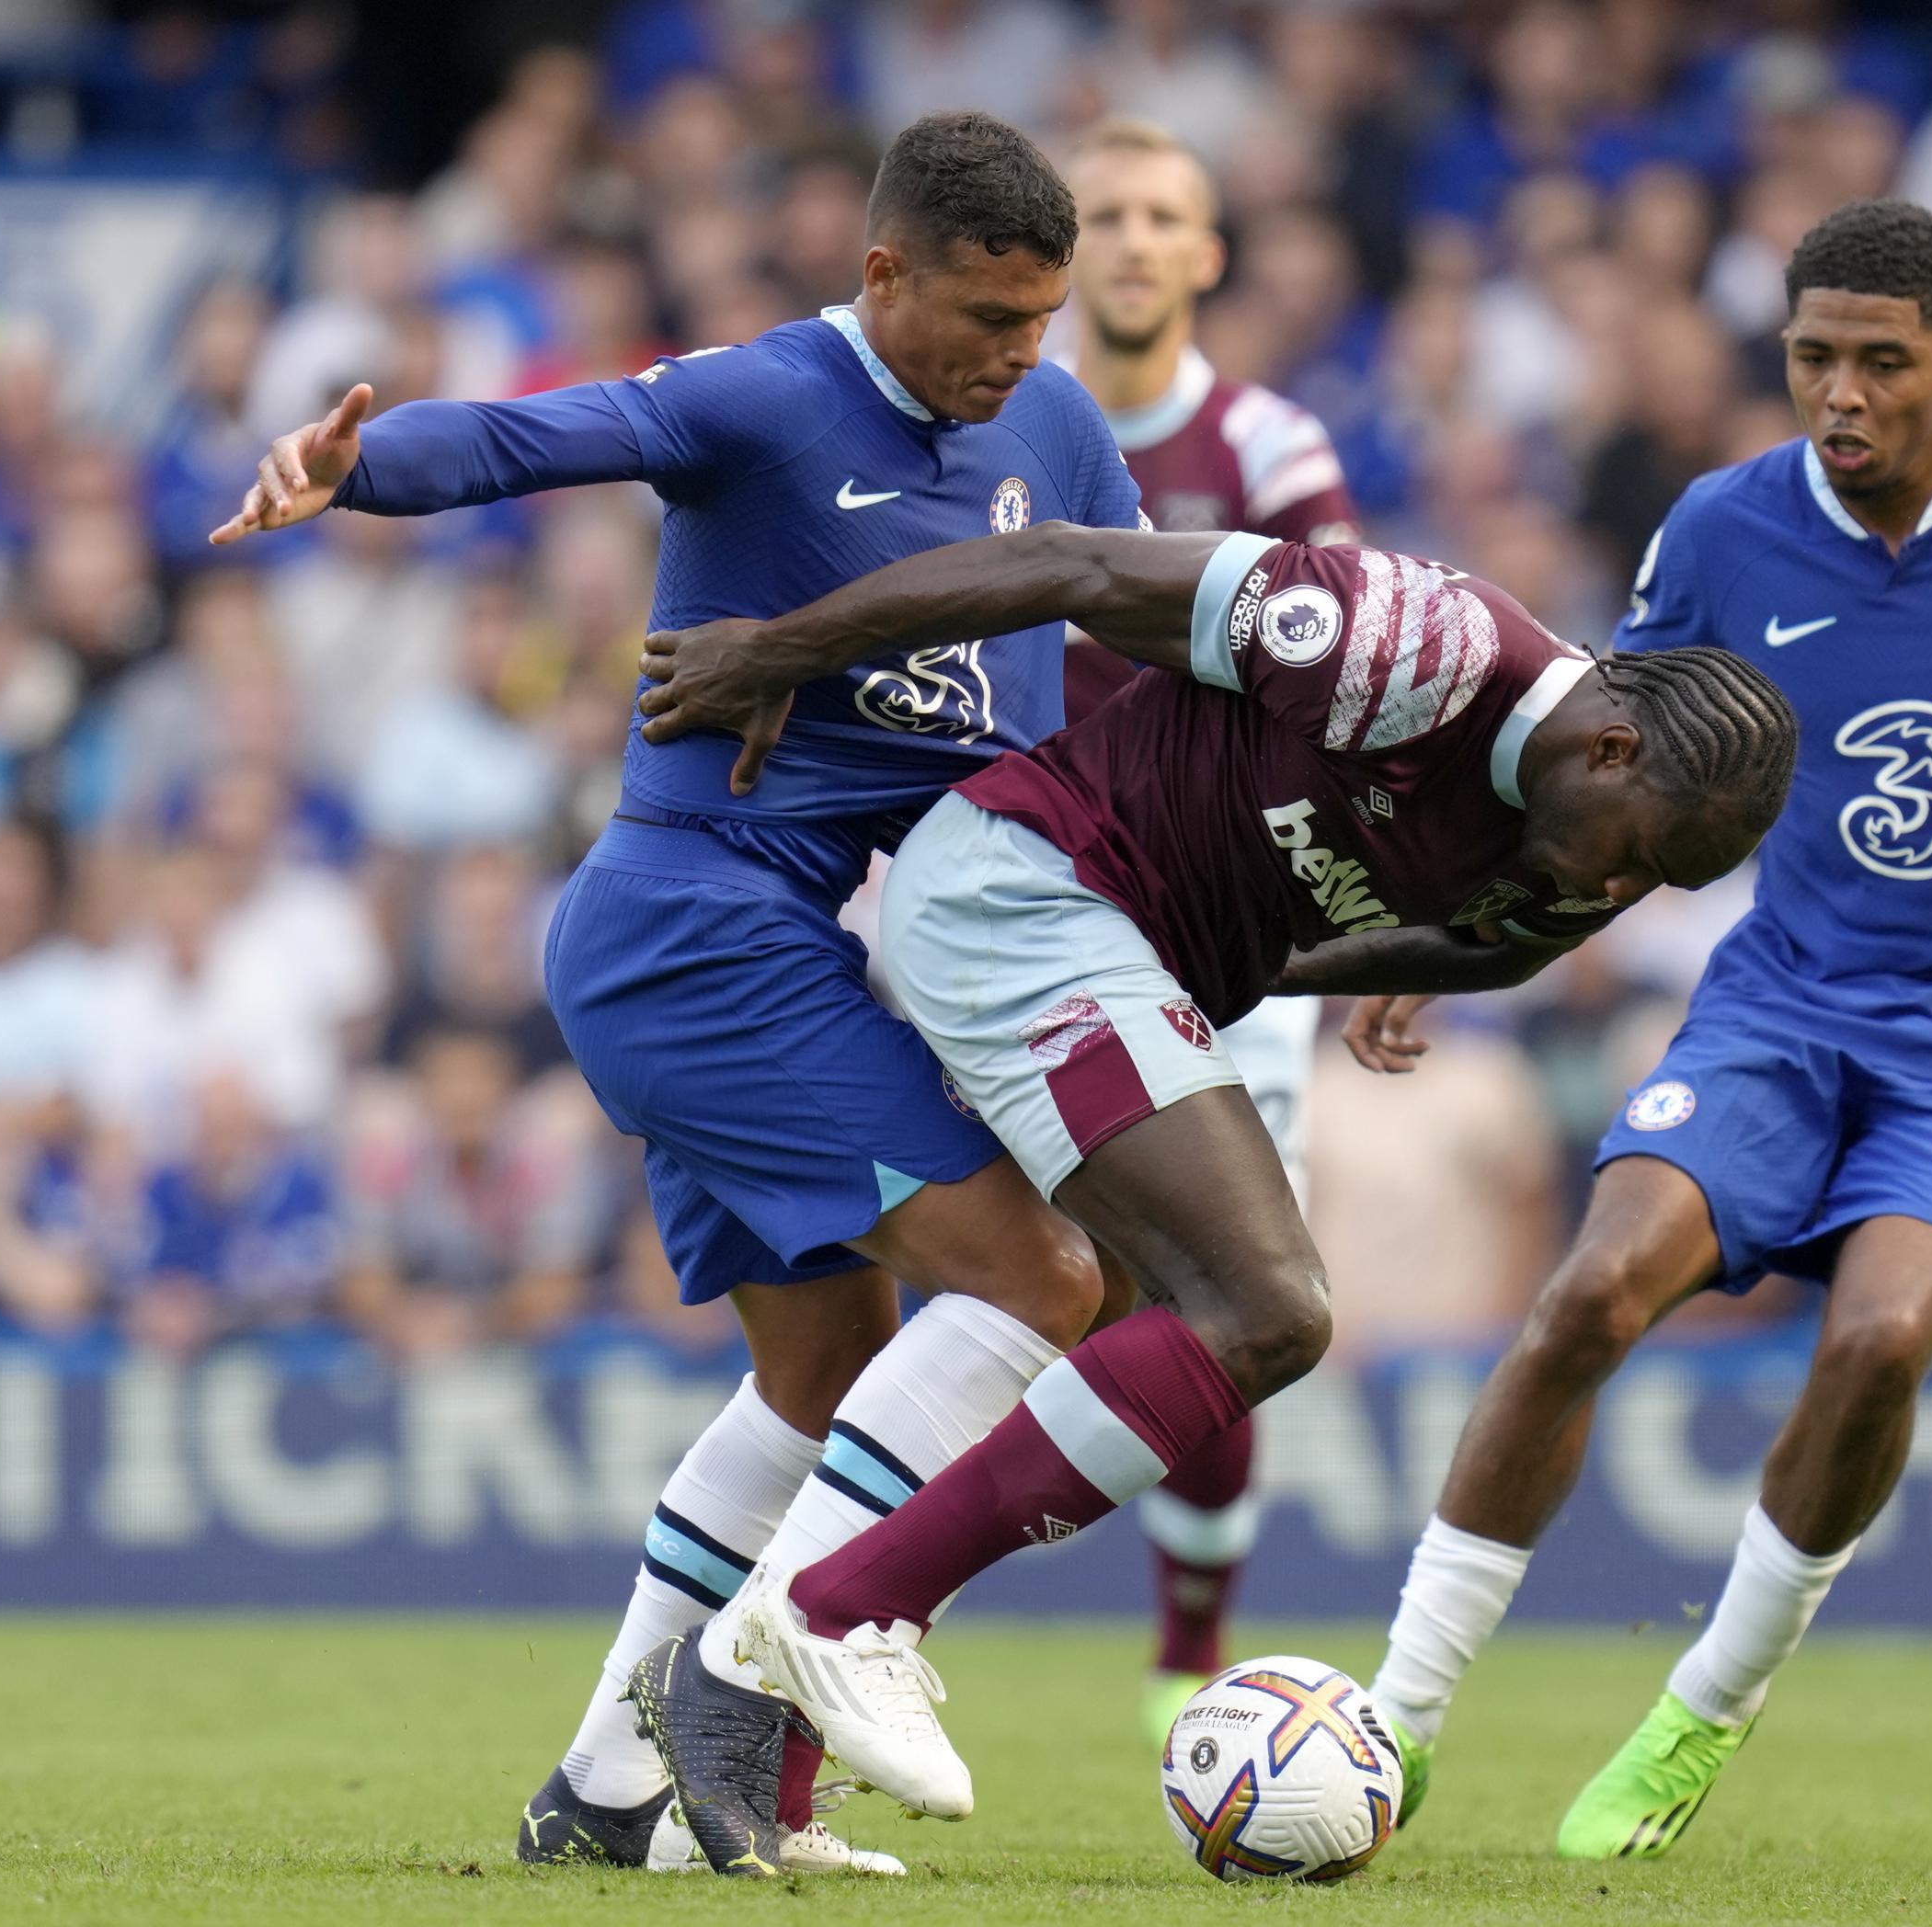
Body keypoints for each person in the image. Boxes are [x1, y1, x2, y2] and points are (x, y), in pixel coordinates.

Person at [209, 112, 1144, 1876]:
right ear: (885, 277)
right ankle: (803, 1634)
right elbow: (540, 432)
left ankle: (602, 1796)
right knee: (1044, 1275)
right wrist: (359, 461)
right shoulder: (775, 396)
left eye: (1041, 319)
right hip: (695, 938)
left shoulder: (1060, 425)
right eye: (986, 319)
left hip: (769, 944)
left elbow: (1142, 626)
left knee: (825, 1372)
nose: (1019, 356)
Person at [623, 518, 1799, 1871]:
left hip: (1127, 960)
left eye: (1662, 886)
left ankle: (760, 1741)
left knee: (1081, 1309)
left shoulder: (1575, 846)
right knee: (1270, 1305)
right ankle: (833, 1618)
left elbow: (1494, 950)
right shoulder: (1420, 644)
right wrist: (779, 651)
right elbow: (1076, 567)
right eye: (1641, 853)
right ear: (1612, 746)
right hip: (1030, 884)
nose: (1621, 890)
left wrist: (1283, 967)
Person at [1354, 199, 1932, 1860]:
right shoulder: (1724, 529)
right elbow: (1617, 775)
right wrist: (1466, 930)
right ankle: (1396, 1720)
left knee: (1876, 1342)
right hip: (1779, 1016)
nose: (1843, 394)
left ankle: (1708, 1703)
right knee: (1587, 1293)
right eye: (1814, 359)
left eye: (1883, 361)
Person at [1059, 115, 1363, 1733]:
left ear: (1207, 255)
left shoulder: (1268, 448)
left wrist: (1371, 920)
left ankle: (1193, 1622)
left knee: (1242, 1289)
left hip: (1239, 922)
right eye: (1100, 212)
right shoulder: (1011, 431)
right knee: (1014, 1263)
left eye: (1160, 214)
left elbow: (1351, 685)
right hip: (1035, 899)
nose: (1128, 239)